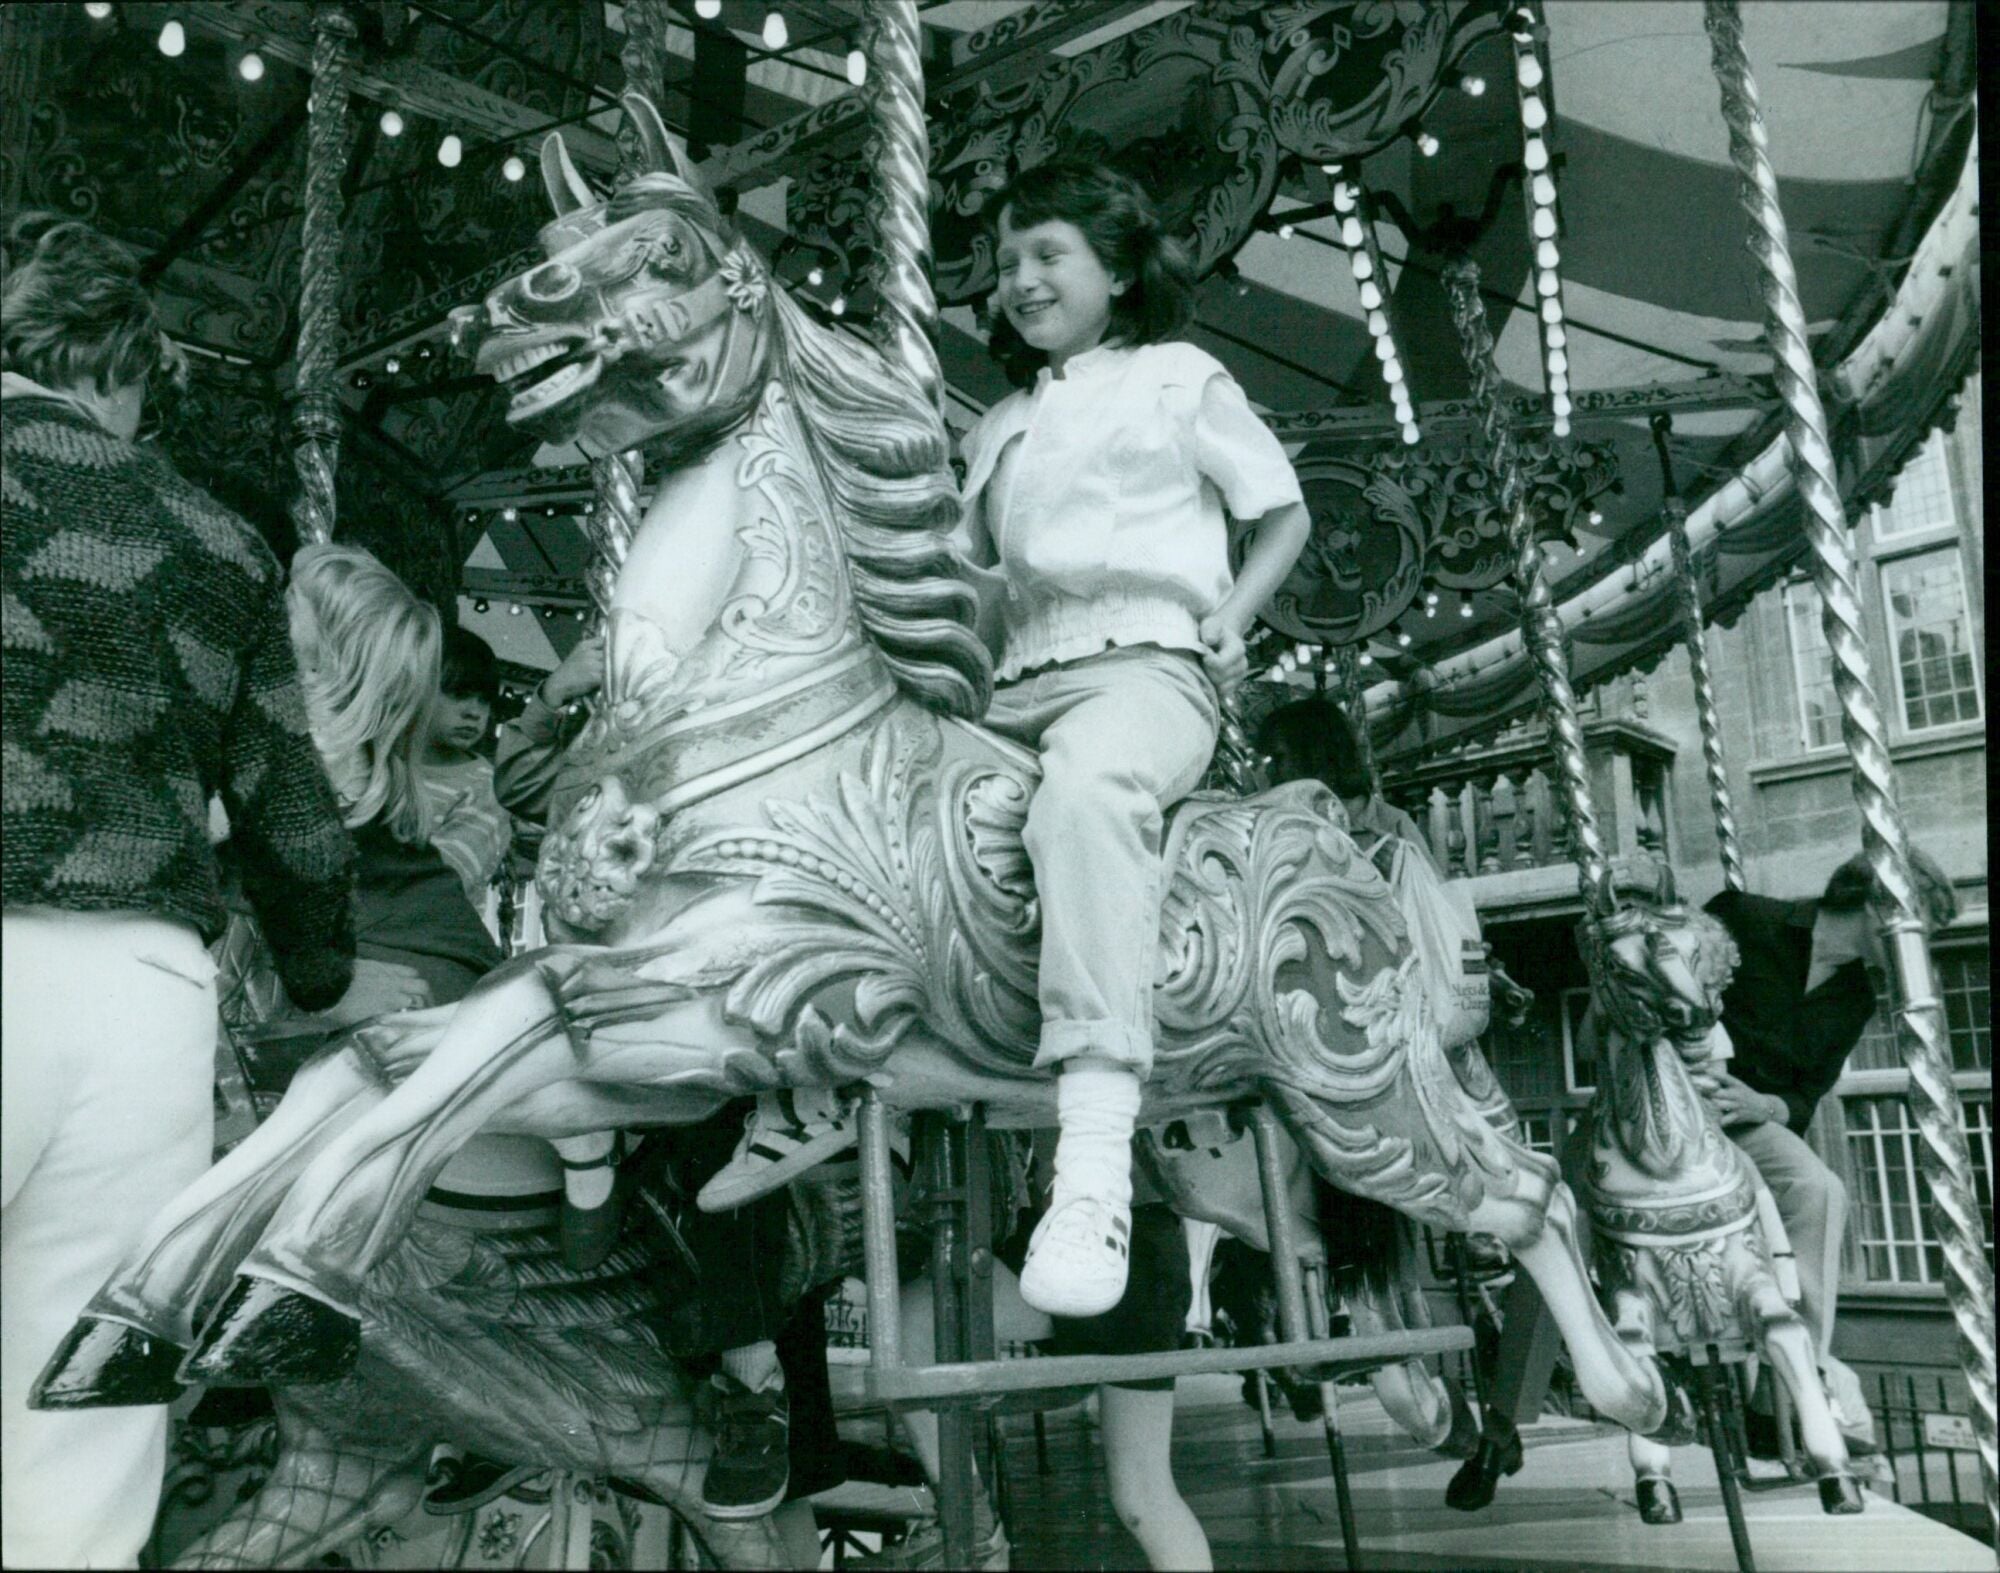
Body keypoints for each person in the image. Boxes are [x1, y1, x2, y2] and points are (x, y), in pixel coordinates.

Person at [702, 157, 1311, 1326]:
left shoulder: (1179, 378)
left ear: (1117, 271)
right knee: (860, 810)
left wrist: (1232, 614)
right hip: (1009, 684)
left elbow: (1278, 510)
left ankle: (1093, 1156)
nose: (1019, 278)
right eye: (1004, 260)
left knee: (1085, 792)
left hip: (1142, 667)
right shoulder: (999, 427)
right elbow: (970, 581)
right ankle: (820, 1067)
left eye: (1046, 255)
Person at [1, 214, 402, 1569]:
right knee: (76, 1430)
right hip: (140, 1000)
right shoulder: (217, 539)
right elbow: (294, 819)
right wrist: (323, 967)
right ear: (125, 367)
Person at [1702, 847, 1957, 1446]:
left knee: (1820, 1187)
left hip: (1748, 1122)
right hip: (1679, 1093)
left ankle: (1788, 1384)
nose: (1918, 944)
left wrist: (1763, 1105)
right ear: (1879, 905)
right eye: (1919, 923)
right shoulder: (1746, 918)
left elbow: (1806, 1094)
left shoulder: (1854, 997)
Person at [418, 624, 511, 908]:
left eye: (484, 701)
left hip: (427, 928)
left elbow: (441, 885)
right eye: (458, 694)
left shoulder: (485, 790)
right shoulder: (382, 767)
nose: (474, 712)